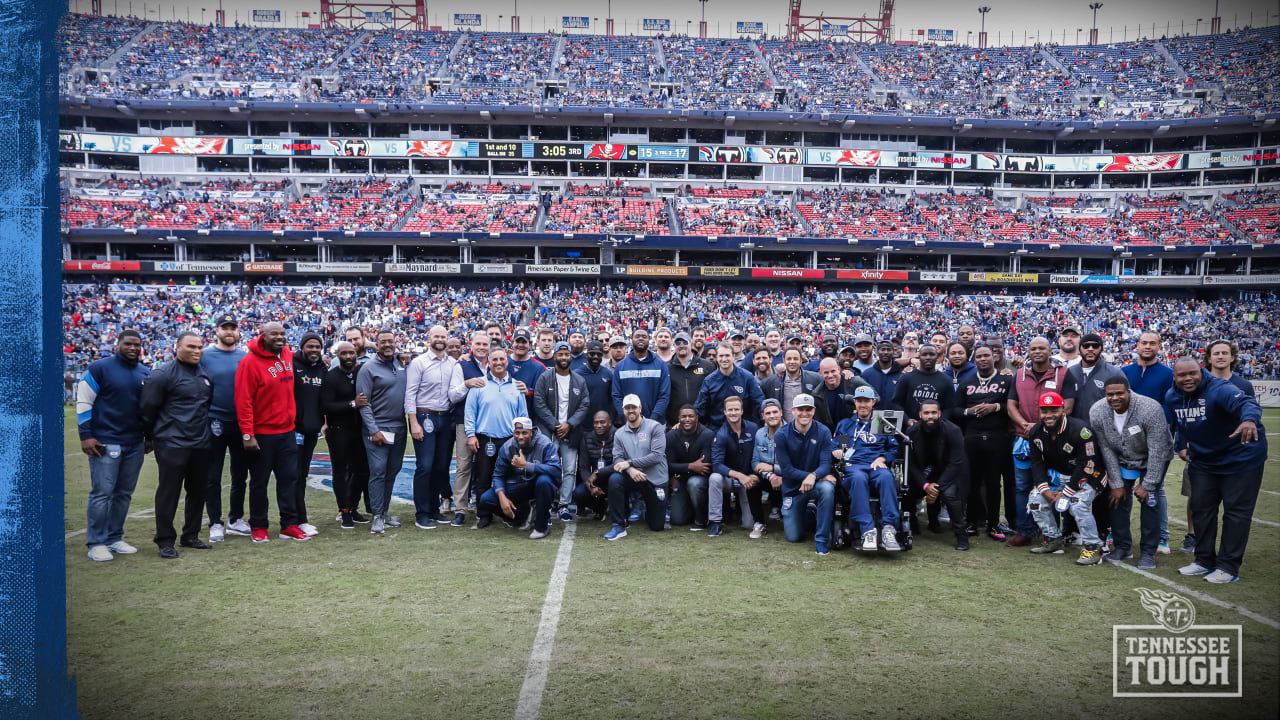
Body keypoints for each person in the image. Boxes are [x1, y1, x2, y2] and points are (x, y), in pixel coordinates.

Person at [1167, 357, 1267, 584]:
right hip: (1204, 460)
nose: (1188, 378)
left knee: (1236, 513)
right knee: (1201, 508)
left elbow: (1247, 404)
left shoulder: (1220, 389)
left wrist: (1250, 419)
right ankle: (1204, 560)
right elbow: (1180, 424)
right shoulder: (1172, 396)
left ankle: (1228, 566)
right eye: (1182, 375)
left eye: (1193, 373)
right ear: (1174, 377)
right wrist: (1180, 444)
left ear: (1201, 371)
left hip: (1241, 458)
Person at [138, 331, 214, 559]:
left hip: (200, 443)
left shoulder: (204, 374)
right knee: (169, 492)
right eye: (191, 346)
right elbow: (147, 409)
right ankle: (165, 540)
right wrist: (150, 436)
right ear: (177, 347)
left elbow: (205, 407)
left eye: (200, 347)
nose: (196, 351)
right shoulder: (162, 374)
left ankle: (190, 535)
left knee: (198, 492)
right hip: (172, 443)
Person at [77, 329, 150, 562]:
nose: (133, 348)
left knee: (124, 494)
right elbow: (84, 401)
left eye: (137, 345)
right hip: (106, 441)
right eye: (128, 344)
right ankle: (96, 542)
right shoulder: (99, 368)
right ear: (117, 344)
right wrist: (86, 435)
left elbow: (147, 408)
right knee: (102, 493)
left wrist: (148, 436)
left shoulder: (144, 371)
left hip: (135, 442)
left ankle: (114, 537)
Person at [235, 322, 308, 543]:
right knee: (259, 482)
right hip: (262, 434)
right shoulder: (249, 362)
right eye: (274, 334)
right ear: (262, 336)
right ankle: (258, 525)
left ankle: (289, 524)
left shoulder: (286, 353)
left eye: (283, 333)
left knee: (289, 479)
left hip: (287, 431)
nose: (279, 337)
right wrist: (248, 434)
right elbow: (243, 402)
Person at [1089, 375, 1171, 570]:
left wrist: (1148, 484)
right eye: (1110, 394)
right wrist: (1116, 484)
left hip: (1153, 457)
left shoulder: (1149, 408)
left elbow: (1158, 450)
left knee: (1150, 500)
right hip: (1122, 457)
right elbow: (1106, 449)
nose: (1115, 398)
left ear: (1129, 392)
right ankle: (1123, 547)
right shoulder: (1097, 411)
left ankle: (1148, 552)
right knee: (1117, 500)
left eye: (1119, 393)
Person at [1024, 392, 1107, 565]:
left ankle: (1093, 547)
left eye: (1053, 410)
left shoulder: (1081, 430)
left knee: (1077, 505)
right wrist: (1044, 489)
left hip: (1091, 476)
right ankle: (1053, 539)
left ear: (1063, 410)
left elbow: (1088, 464)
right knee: (1034, 502)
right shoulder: (1036, 432)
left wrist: (1067, 492)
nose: (1048, 415)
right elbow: (1036, 462)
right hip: (1060, 476)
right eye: (1044, 411)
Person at [1005, 336, 1072, 548]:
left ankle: (1050, 533)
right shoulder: (1020, 374)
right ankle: (1024, 531)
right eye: (1033, 348)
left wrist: (1043, 426)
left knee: (1050, 485)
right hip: (1024, 439)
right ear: (1029, 351)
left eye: (1041, 348)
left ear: (1050, 350)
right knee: (1022, 486)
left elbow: (1068, 406)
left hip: (1054, 440)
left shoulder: (1063, 374)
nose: (1037, 351)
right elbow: (1011, 406)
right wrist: (1026, 425)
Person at [404, 325, 466, 529]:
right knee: (425, 466)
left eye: (443, 336)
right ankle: (421, 513)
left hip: (445, 418)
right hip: (424, 416)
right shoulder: (418, 363)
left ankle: (434, 509)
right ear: (429, 338)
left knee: (441, 467)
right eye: (436, 336)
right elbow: (410, 394)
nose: (440, 339)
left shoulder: (453, 364)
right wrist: (413, 422)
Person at [1122, 331, 1177, 553]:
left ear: (1159, 346)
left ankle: (1162, 537)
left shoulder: (1168, 374)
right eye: (1144, 342)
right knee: (1121, 487)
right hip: (1126, 440)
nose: (1147, 346)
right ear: (1136, 345)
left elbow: (1170, 405)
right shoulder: (1124, 372)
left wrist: (1150, 425)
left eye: (1152, 343)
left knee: (1156, 488)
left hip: (1156, 439)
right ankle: (1117, 533)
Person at [464, 348, 529, 529]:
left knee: (512, 478)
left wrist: (521, 439)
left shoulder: (516, 386)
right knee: (483, 478)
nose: (499, 362)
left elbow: (522, 416)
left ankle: (511, 512)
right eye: (495, 360)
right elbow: (470, 412)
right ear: (489, 362)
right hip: (486, 440)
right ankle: (484, 515)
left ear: (507, 362)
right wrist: (471, 435)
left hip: (510, 440)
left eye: (502, 359)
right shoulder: (479, 385)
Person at [834, 386, 904, 551]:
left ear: (873, 402)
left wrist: (883, 458)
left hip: (875, 464)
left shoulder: (882, 421)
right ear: (854, 402)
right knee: (858, 478)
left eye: (866, 401)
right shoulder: (845, 424)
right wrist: (837, 451)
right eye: (859, 401)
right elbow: (839, 447)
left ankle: (888, 529)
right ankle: (867, 530)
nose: (863, 404)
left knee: (887, 477)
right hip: (854, 465)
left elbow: (894, 448)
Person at [956, 344, 1014, 541]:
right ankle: (972, 522)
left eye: (986, 355)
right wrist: (968, 412)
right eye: (978, 356)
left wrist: (995, 406)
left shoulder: (1006, 380)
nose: (982, 359)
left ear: (994, 357)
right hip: (971, 437)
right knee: (972, 482)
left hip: (997, 437)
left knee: (993, 483)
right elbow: (954, 410)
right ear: (974, 360)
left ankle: (993, 523)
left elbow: (1014, 406)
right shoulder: (966, 382)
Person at [201, 314, 248, 543]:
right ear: (216, 331)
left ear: (238, 331)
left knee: (240, 474)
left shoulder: (246, 356)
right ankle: (215, 522)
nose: (229, 332)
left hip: (242, 422)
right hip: (214, 420)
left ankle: (235, 519)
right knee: (213, 474)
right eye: (225, 328)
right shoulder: (205, 355)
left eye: (233, 328)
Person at [357, 329, 408, 535]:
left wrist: (402, 355)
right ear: (376, 344)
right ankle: (376, 515)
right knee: (378, 471)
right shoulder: (368, 368)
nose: (387, 345)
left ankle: (384, 512)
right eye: (382, 342)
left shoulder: (401, 363)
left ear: (396, 343)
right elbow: (364, 403)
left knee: (392, 471)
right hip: (378, 428)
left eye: (390, 341)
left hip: (399, 426)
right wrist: (374, 429)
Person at [476, 417, 561, 539]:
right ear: (513, 433)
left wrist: (527, 465)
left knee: (544, 481)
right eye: (517, 433)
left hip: (539, 484)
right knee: (486, 499)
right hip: (519, 483)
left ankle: (541, 527)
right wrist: (502, 497)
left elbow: (556, 469)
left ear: (531, 432)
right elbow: (498, 475)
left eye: (524, 433)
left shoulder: (545, 443)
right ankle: (524, 515)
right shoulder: (507, 447)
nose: (520, 437)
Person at [533, 342, 591, 521]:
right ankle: (547, 504)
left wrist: (570, 424)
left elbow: (584, 404)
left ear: (571, 356)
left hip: (571, 432)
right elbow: (539, 403)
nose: (564, 357)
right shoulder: (545, 377)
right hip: (549, 431)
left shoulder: (579, 380)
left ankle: (564, 505)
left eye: (567, 354)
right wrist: (556, 425)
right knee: (548, 468)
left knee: (570, 469)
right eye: (561, 354)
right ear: (555, 356)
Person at [773, 394, 837, 555]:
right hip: (793, 488)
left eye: (808, 409)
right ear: (793, 410)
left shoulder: (823, 431)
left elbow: (825, 464)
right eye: (800, 409)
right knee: (793, 537)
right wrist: (811, 475)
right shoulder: (781, 434)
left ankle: (821, 540)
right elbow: (786, 470)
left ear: (814, 411)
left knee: (827, 488)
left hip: (815, 483)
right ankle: (810, 512)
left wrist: (814, 476)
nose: (804, 413)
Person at [904, 399, 970, 550]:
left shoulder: (953, 430)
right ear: (920, 414)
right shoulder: (911, 432)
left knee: (950, 496)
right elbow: (910, 464)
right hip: (923, 475)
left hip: (948, 474)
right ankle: (912, 526)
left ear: (939, 413)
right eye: (926, 413)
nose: (930, 416)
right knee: (906, 490)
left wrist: (937, 487)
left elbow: (956, 462)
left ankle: (961, 536)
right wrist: (925, 485)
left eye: (934, 412)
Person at [604, 394, 669, 540]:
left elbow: (657, 456)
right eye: (627, 408)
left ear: (640, 408)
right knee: (615, 479)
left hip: (654, 480)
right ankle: (619, 525)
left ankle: (650, 509)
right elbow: (618, 458)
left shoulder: (655, 427)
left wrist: (630, 463)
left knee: (657, 526)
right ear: (623, 410)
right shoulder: (619, 433)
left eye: (634, 407)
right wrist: (630, 469)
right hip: (633, 477)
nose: (631, 410)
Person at [321, 341, 370, 529]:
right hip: (338, 430)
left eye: (352, 353)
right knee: (340, 472)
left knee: (362, 470)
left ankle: (353, 507)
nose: (348, 357)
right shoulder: (331, 377)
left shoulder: (361, 372)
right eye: (344, 354)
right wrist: (352, 404)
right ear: (337, 355)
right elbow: (325, 406)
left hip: (359, 430)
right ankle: (345, 511)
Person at [448, 331, 491, 526]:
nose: (482, 347)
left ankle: (486, 507)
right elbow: (452, 396)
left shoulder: (496, 364)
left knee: (486, 466)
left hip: (488, 422)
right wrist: (466, 384)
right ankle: (460, 508)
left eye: (485, 344)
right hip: (465, 421)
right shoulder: (462, 365)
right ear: (471, 346)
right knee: (464, 465)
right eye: (478, 344)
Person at [708, 395, 763, 538]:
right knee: (714, 478)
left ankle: (745, 515)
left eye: (736, 409)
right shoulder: (721, 434)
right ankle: (715, 522)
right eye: (730, 410)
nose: (733, 413)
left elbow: (758, 455)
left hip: (748, 481)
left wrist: (754, 475)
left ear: (742, 411)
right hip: (729, 479)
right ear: (725, 412)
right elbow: (717, 465)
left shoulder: (753, 428)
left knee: (748, 525)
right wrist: (739, 476)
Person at [292, 331, 327, 537]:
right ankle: (297, 519)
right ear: (302, 347)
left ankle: (299, 518)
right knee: (293, 475)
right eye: (310, 346)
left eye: (317, 347)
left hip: (312, 430)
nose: (314, 350)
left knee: (302, 474)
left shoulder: (322, 368)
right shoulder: (292, 364)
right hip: (293, 430)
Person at [696, 343, 765, 431]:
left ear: (733, 356)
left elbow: (759, 400)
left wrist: (765, 420)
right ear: (717, 358)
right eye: (721, 356)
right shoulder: (709, 381)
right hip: (717, 428)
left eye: (727, 355)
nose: (724, 359)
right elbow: (700, 406)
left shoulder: (747, 377)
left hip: (743, 428)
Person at [665, 405, 713, 529]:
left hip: (701, 481)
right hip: (680, 480)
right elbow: (668, 465)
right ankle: (690, 509)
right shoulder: (671, 436)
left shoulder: (707, 434)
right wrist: (691, 466)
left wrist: (679, 468)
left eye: (691, 416)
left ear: (697, 418)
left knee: (694, 483)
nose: (687, 419)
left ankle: (702, 518)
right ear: (678, 419)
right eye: (684, 416)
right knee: (677, 520)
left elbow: (704, 467)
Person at [611, 328, 671, 423]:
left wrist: (652, 420)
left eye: (644, 337)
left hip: (655, 423)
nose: (641, 339)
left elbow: (664, 395)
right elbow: (616, 396)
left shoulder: (661, 365)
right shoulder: (620, 366)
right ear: (631, 339)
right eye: (637, 336)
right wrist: (626, 417)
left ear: (649, 339)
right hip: (629, 423)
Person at [894, 344, 956, 426]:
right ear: (919, 357)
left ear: (937, 357)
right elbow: (896, 403)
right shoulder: (906, 378)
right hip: (910, 430)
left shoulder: (946, 381)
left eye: (932, 354)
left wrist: (939, 422)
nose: (928, 357)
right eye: (924, 354)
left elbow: (949, 408)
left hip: (937, 431)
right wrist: (907, 420)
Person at [760, 347, 823, 423]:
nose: (792, 362)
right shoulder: (770, 382)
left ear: (801, 360)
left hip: (807, 426)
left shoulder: (815, 379)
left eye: (795, 359)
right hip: (783, 428)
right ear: (784, 360)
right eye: (789, 359)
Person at [572, 410, 615, 520]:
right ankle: (600, 509)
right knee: (579, 493)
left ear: (609, 422)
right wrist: (590, 485)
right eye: (596, 422)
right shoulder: (587, 438)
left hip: (613, 477)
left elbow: (619, 464)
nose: (599, 426)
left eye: (602, 422)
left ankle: (620, 511)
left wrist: (598, 473)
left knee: (617, 481)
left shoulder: (619, 435)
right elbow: (583, 466)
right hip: (595, 479)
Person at [667, 331, 714, 427]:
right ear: (674, 345)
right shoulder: (667, 368)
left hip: (703, 423)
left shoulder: (707, 366)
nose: (681, 345)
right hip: (675, 424)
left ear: (691, 344)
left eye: (685, 342)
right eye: (678, 343)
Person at [751, 399, 786, 522]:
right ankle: (759, 522)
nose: (772, 416)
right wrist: (771, 476)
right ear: (763, 416)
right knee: (752, 481)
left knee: (792, 533)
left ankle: (784, 512)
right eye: (768, 413)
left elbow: (797, 466)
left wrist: (773, 469)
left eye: (775, 412)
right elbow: (755, 462)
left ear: (781, 412)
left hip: (788, 478)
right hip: (768, 478)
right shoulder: (759, 433)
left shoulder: (792, 432)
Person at [861, 338, 906, 412]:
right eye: (883, 349)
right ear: (877, 352)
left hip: (896, 418)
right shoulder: (867, 375)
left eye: (889, 349)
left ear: (893, 352)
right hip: (873, 419)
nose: (886, 352)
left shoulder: (901, 375)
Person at [577, 340, 616, 425]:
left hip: (603, 424)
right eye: (592, 354)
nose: (595, 357)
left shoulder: (608, 374)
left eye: (599, 354)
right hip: (583, 424)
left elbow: (612, 399)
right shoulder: (577, 374)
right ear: (587, 355)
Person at [507, 326, 545, 398]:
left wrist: (528, 392)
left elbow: (544, 394)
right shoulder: (502, 362)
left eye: (524, 342)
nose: (520, 345)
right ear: (512, 343)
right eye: (517, 341)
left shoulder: (539, 367)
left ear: (530, 344)